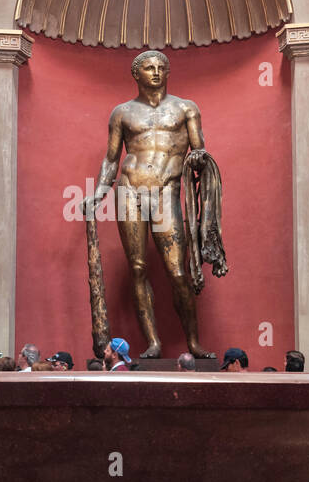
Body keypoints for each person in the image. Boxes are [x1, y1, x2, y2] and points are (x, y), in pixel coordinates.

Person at [84, 50, 223, 360]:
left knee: (176, 272)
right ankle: (153, 342)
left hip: (166, 191)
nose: (156, 72)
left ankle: (193, 342)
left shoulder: (186, 108)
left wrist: (200, 159)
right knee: (137, 267)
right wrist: (97, 193)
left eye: (162, 67)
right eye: (149, 67)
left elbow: (199, 150)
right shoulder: (122, 113)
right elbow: (111, 159)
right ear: (137, 74)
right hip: (129, 190)